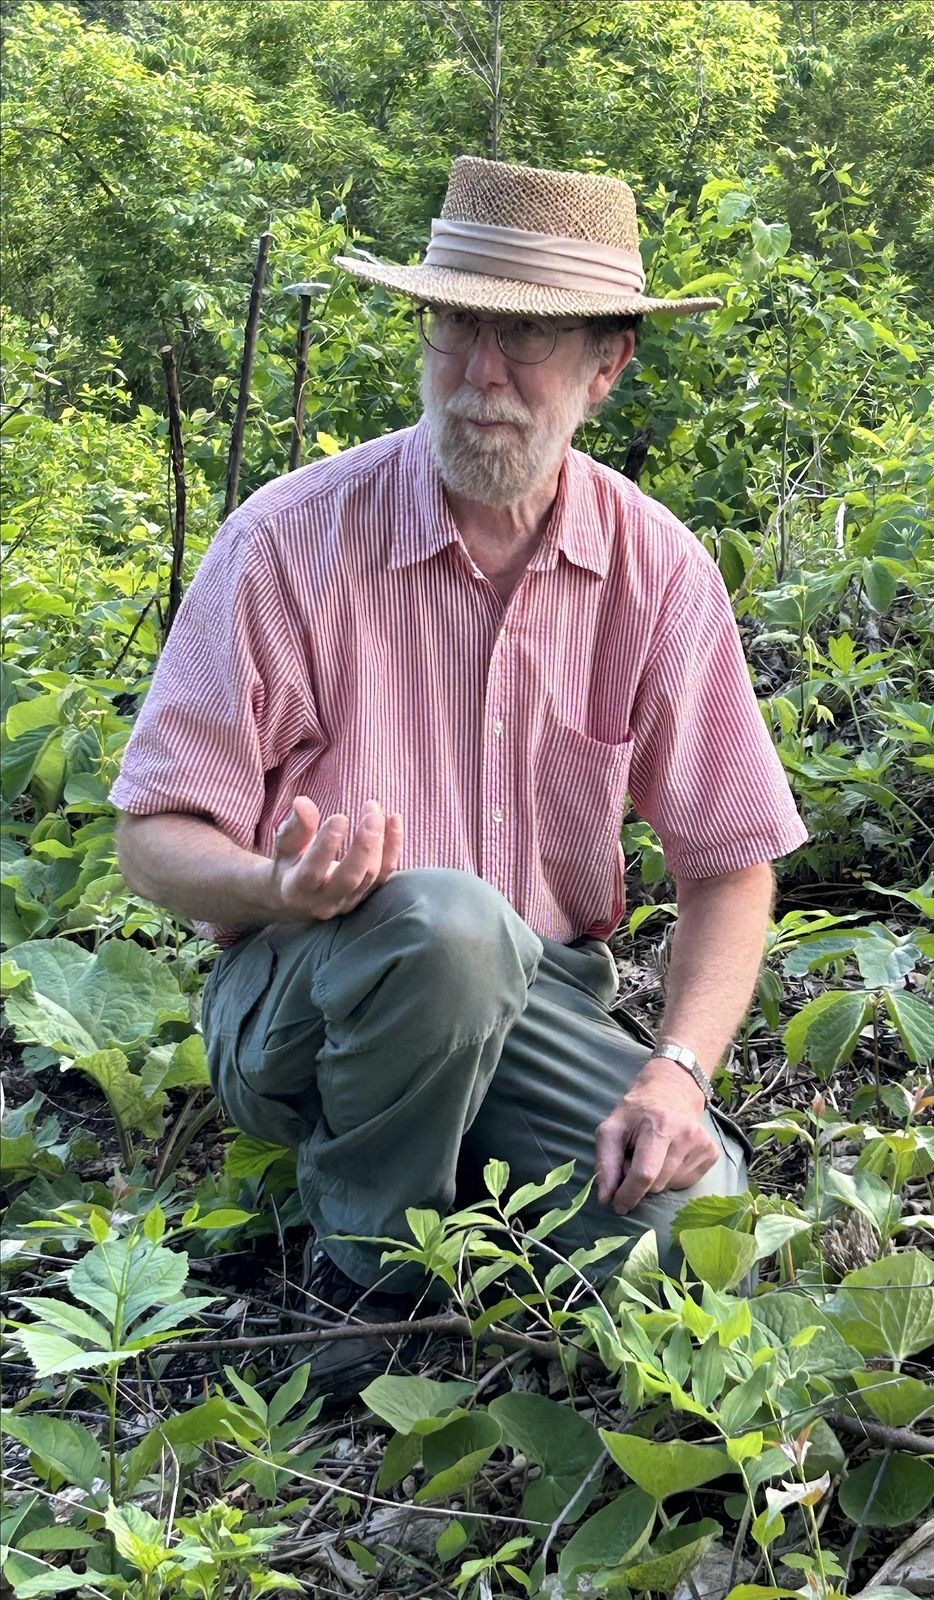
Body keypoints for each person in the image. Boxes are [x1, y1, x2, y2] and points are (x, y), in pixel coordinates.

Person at [112, 156, 808, 1399]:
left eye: (529, 338)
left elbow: (729, 866)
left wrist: (676, 1070)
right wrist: (281, 882)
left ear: (607, 365)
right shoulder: (291, 537)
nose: (482, 372)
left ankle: (483, 1187)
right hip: (303, 1002)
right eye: (457, 325)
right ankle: (370, 1277)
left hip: (535, 1004)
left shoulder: (657, 572)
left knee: (697, 1225)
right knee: (445, 925)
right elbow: (151, 836)